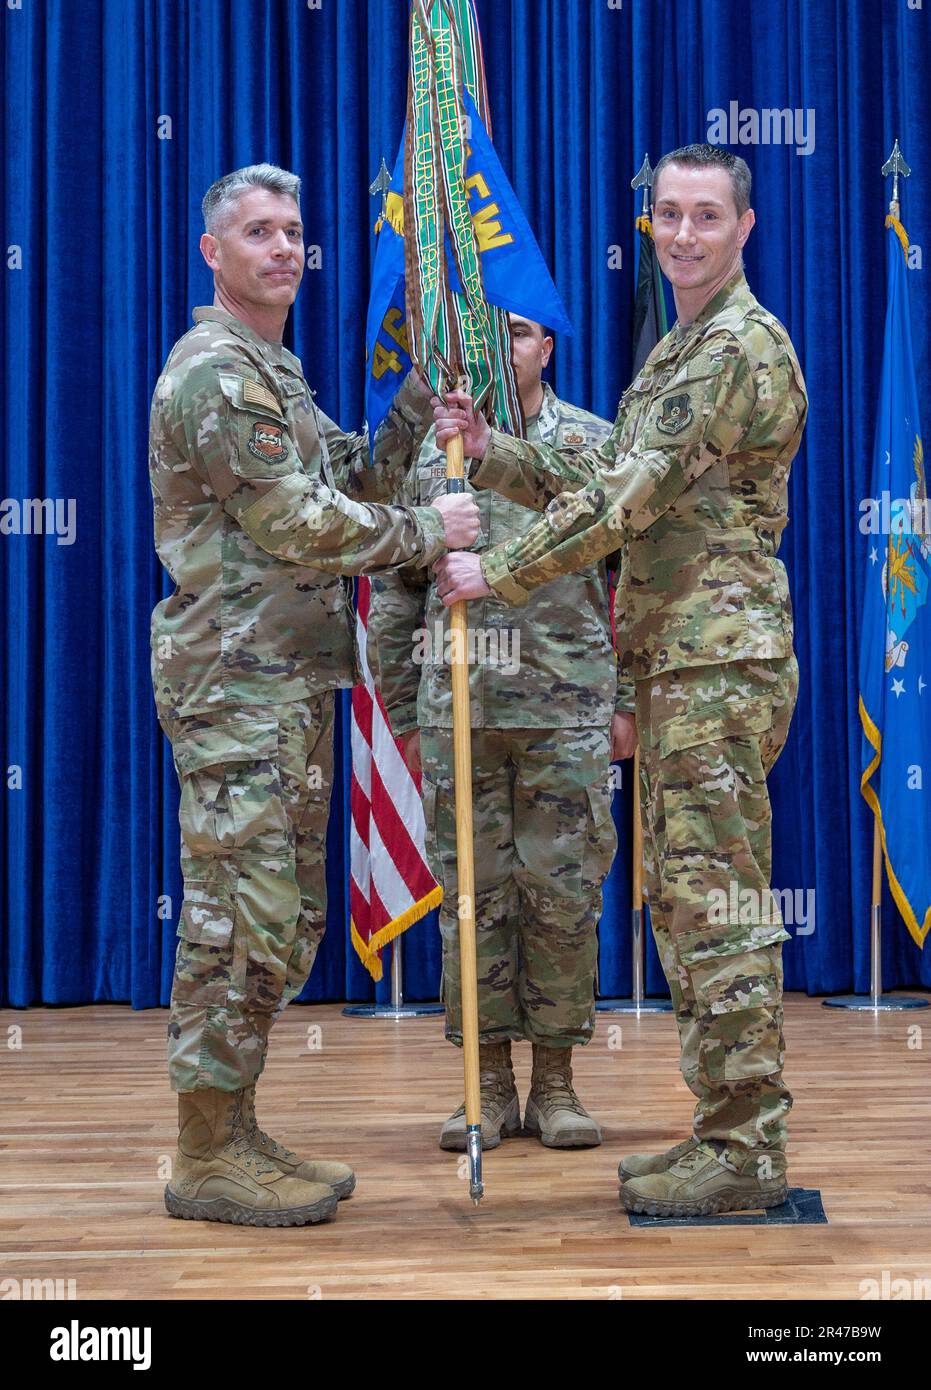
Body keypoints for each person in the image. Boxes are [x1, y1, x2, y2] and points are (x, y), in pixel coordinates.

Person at [431, 144, 809, 1217]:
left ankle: (744, 1150)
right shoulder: (680, 348)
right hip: (680, 659)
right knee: (689, 906)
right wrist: (490, 448)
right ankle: (721, 1134)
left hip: (715, 659)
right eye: (666, 215)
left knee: (716, 907)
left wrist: (493, 567)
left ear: (744, 228)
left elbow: (623, 505)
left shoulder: (735, 346)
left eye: (704, 215)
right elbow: (600, 469)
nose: (682, 233)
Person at [149, 163, 479, 1227]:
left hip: (284, 683)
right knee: (233, 920)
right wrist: (429, 535)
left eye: (293, 230)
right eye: (258, 232)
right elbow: (295, 519)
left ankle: (234, 1128)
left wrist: (418, 406)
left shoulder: (272, 370)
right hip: (236, 685)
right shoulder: (214, 372)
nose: (283, 248)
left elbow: (344, 472)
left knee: (277, 921)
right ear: (214, 252)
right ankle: (204, 1152)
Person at [368, 316, 630, 1152]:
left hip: (569, 711)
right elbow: (398, 592)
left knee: (562, 898)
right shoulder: (428, 456)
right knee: (471, 904)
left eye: (520, 332)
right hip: (460, 711)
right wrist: (404, 711)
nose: (503, 348)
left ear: (549, 346)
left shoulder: (592, 443)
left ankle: (554, 1081)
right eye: (487, 333)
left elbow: (637, 582)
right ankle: (482, 1081)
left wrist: (628, 703)